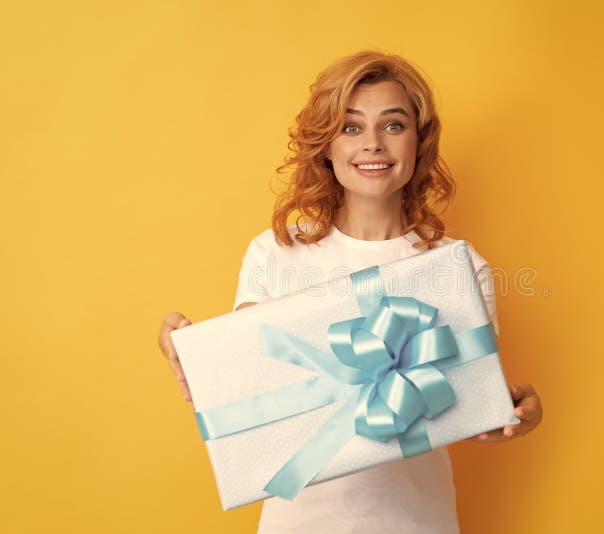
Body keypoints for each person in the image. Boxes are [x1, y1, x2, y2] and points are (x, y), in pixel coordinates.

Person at [158, 50, 542, 533]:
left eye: (394, 125)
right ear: (327, 145)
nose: (374, 145)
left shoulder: (460, 268)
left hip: (416, 522)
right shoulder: (276, 253)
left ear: (418, 142)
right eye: (352, 127)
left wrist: (507, 418)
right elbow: (250, 385)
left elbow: (464, 408)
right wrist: (187, 349)